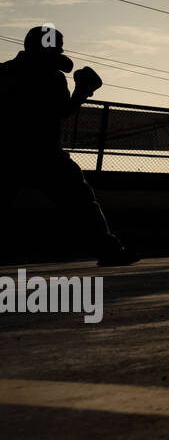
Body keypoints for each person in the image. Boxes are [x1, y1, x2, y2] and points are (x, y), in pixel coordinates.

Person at [0, 26, 137, 266]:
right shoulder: (31, 74)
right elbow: (60, 110)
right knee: (81, 200)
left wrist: (81, 92)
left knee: (81, 199)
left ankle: (108, 248)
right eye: (56, 48)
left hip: (24, 150)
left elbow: (61, 111)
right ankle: (108, 248)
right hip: (32, 151)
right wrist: (82, 92)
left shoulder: (26, 72)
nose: (60, 54)